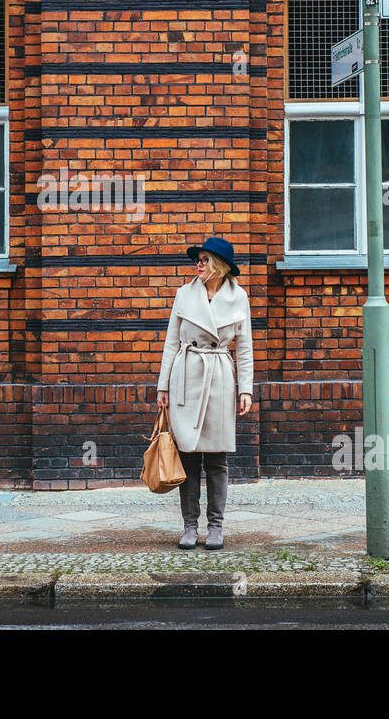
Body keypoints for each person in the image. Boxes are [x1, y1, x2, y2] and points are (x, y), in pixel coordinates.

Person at [155, 236, 254, 550]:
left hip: (220, 379)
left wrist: (246, 390)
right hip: (187, 376)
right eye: (197, 260)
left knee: (216, 459)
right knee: (187, 456)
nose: (198, 264)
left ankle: (215, 527)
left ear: (220, 266)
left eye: (204, 260)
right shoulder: (184, 294)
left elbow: (246, 349)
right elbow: (172, 342)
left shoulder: (239, 298)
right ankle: (189, 527)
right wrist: (163, 385)